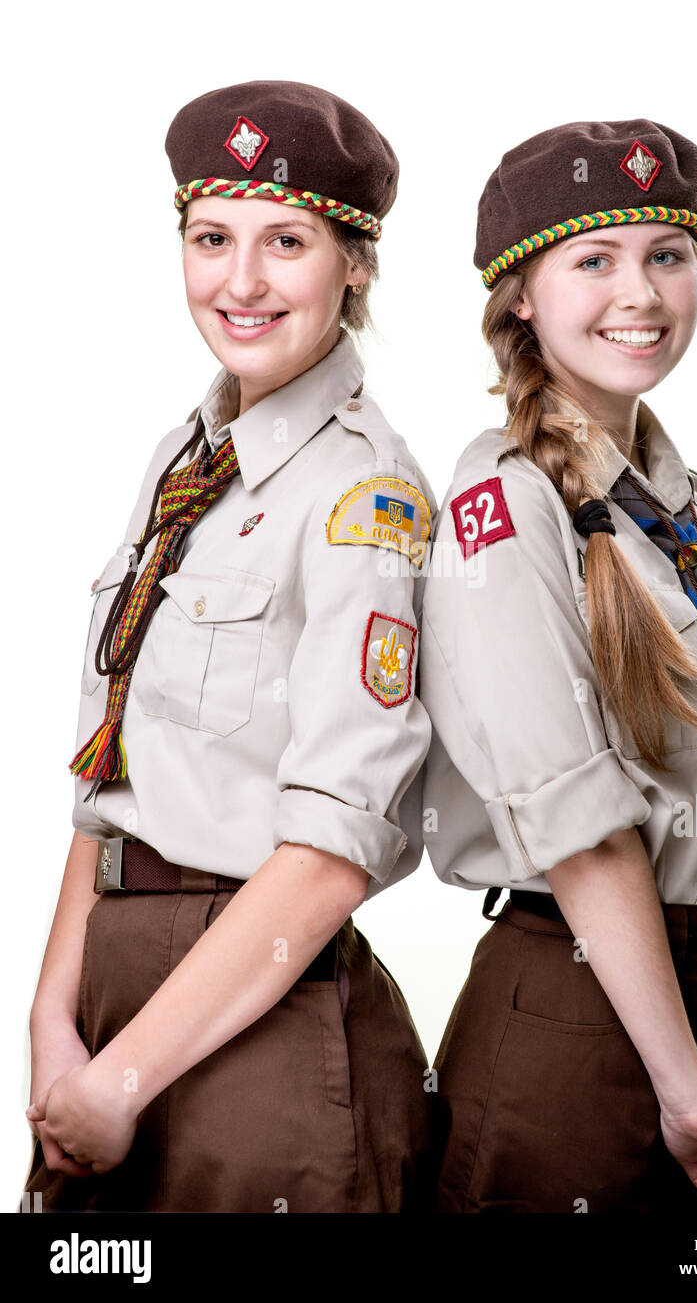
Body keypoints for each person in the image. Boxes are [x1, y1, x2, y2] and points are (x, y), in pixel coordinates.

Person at [21, 80, 436, 1213]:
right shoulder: (186, 458)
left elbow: (330, 850)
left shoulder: (365, 494)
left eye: (286, 242)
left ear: (355, 263)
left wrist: (123, 1076)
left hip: (254, 1030)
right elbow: (109, 774)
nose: (240, 282)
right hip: (111, 1009)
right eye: (212, 238)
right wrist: (51, 1025)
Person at [418, 119, 697, 1214]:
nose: (638, 293)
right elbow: (582, 829)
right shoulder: (499, 502)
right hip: (577, 1021)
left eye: (668, 255)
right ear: (519, 296)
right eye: (593, 260)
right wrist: (688, 1090)